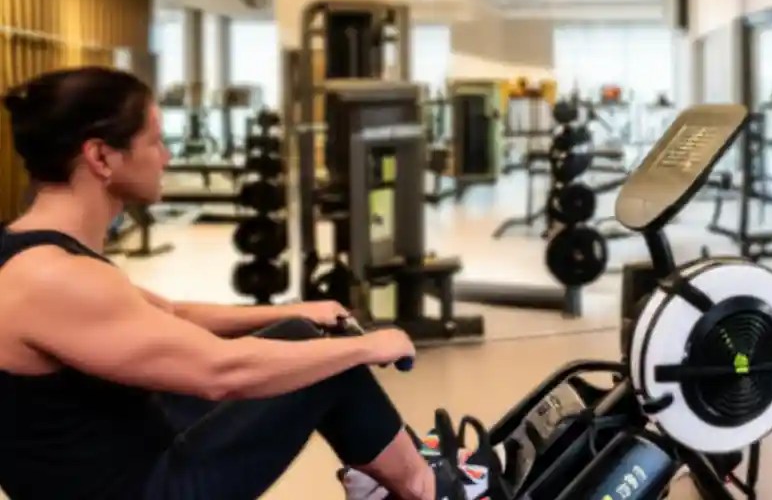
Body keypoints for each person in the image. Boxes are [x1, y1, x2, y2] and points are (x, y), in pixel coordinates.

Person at [0, 66, 477, 500]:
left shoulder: (34, 252)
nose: (165, 157)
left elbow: (169, 315)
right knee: (328, 362)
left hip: (127, 457)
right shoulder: (52, 278)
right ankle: (427, 489)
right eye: (154, 142)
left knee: (307, 339)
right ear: (102, 156)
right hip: (141, 490)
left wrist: (292, 311)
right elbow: (220, 373)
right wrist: (367, 347)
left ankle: (384, 475)